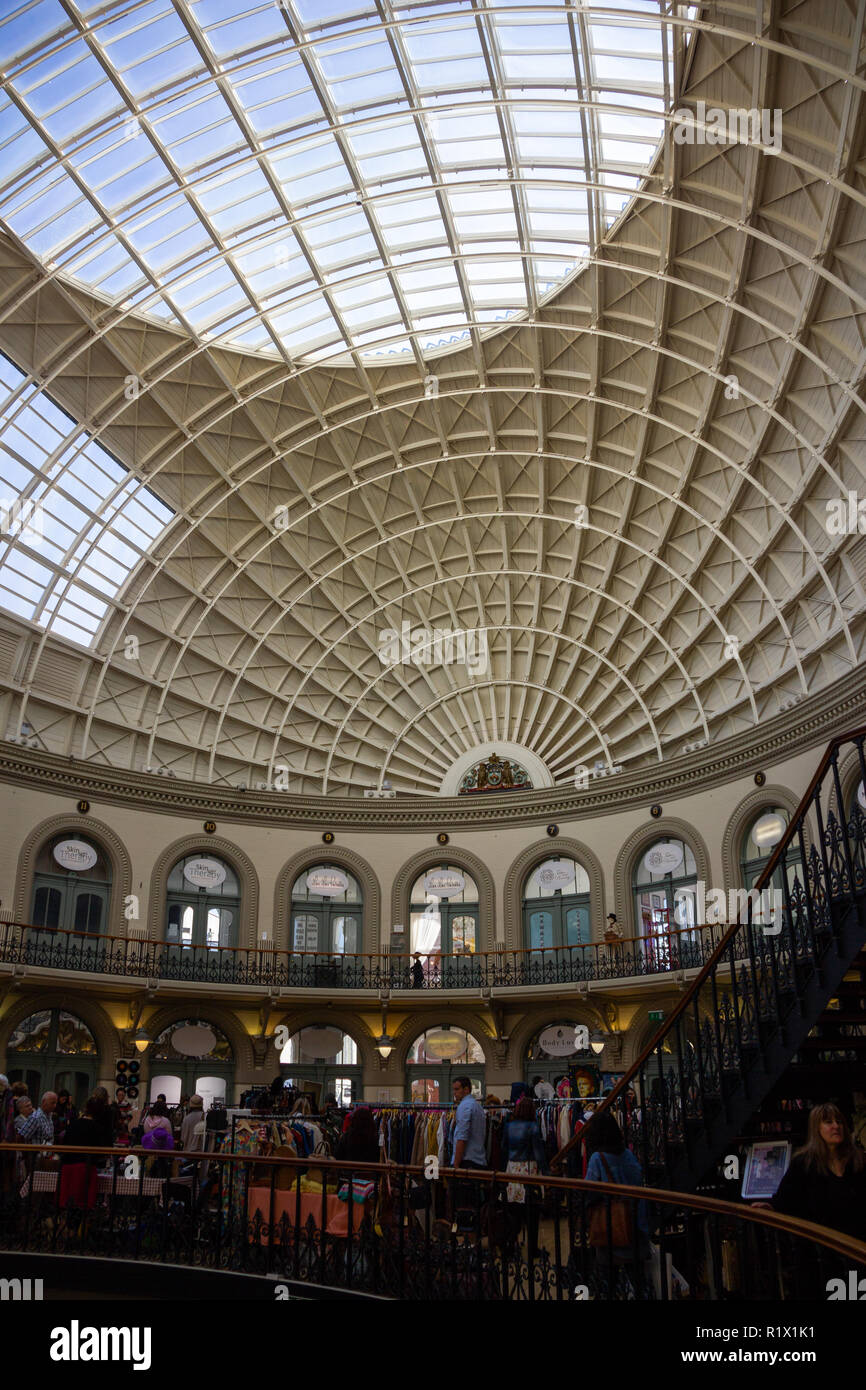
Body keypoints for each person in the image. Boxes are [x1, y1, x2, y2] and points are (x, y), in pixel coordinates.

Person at [770, 1103, 866, 1241]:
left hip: (857, 1243)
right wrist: (770, 1207)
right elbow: (785, 1200)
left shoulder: (858, 1159)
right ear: (817, 1129)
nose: (836, 1126)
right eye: (828, 1122)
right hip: (823, 1245)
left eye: (839, 1122)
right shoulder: (804, 1163)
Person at [584, 1110, 651, 1296]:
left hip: (610, 1228)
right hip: (635, 1224)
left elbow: (590, 1191)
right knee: (638, 1281)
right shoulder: (628, 1155)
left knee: (608, 1283)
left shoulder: (597, 1159)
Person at [501, 1096, 548, 1252]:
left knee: (513, 1212)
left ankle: (510, 1244)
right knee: (532, 1213)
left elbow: (504, 1148)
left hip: (512, 1169)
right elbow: (538, 1153)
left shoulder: (508, 1126)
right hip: (529, 1169)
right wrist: (546, 1173)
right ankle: (532, 1248)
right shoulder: (533, 1127)